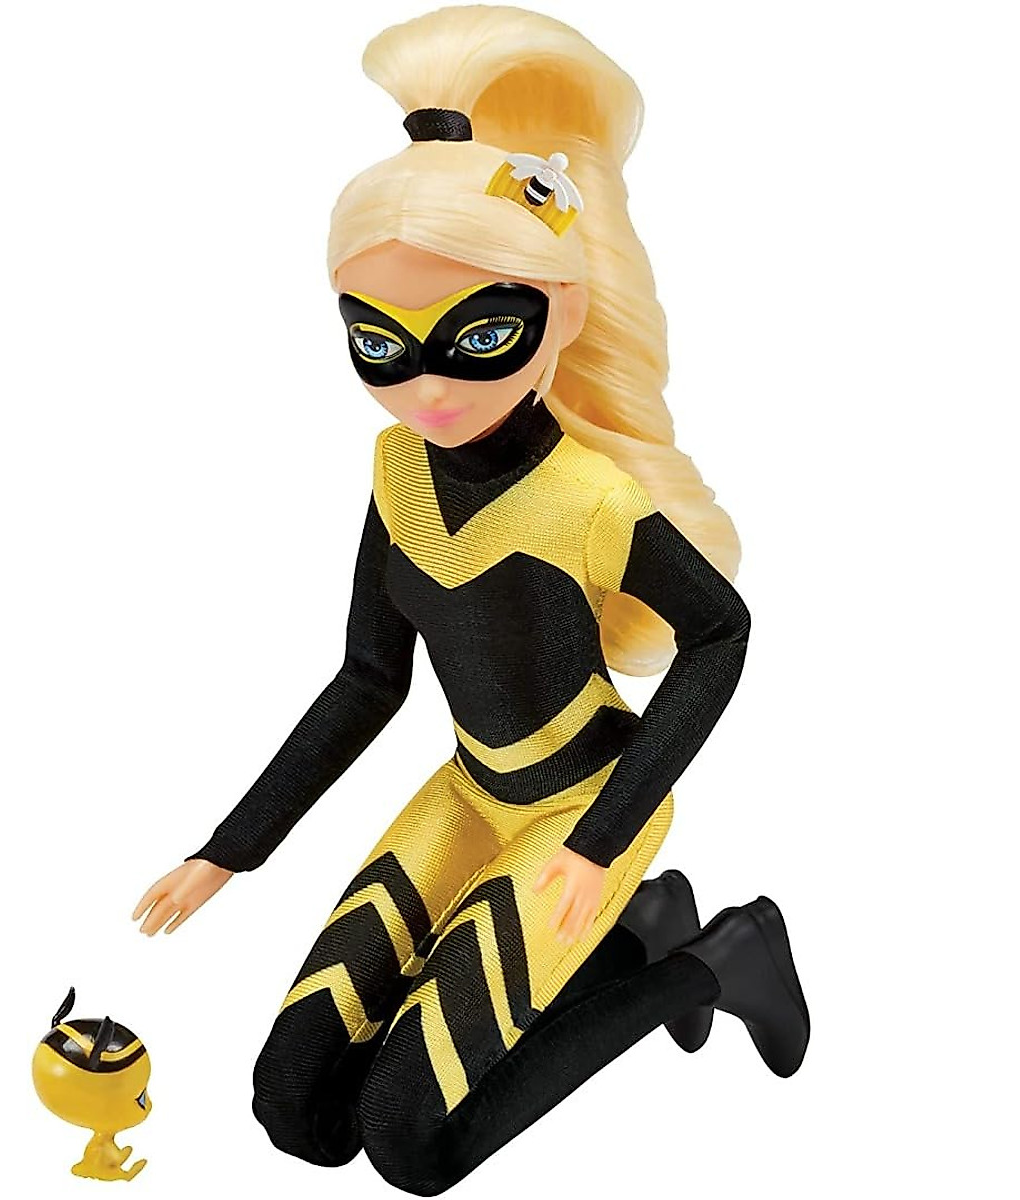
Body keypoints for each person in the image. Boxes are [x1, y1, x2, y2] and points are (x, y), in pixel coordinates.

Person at [132, 7, 809, 1194]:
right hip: (467, 794)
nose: (429, 390)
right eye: (380, 345)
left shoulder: (587, 497)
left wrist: (600, 845)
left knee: (412, 1144)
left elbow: (722, 632)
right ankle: (642, 934)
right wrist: (228, 852)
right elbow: (367, 678)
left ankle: (714, 958)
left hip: (582, 804)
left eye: (482, 335)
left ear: (565, 312)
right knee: (297, 1111)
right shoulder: (397, 470)